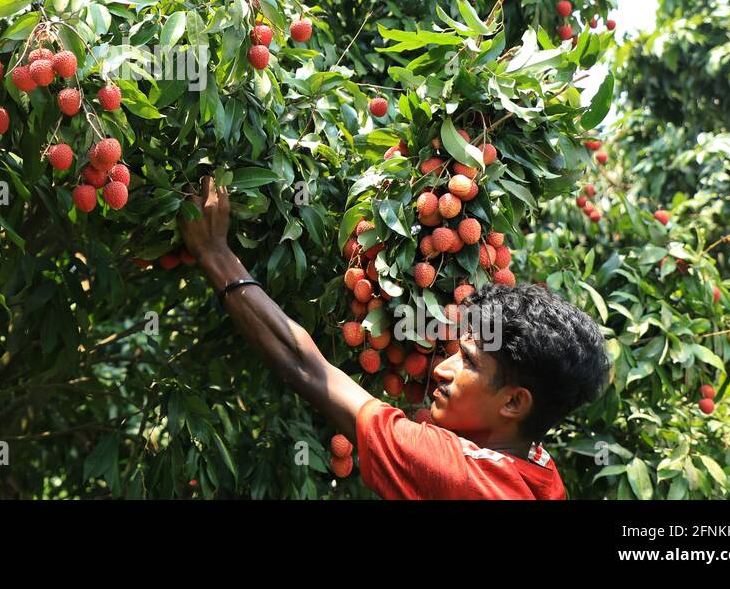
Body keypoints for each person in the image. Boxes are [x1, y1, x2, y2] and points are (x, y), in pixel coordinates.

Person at [178, 176, 612, 499]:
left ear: (515, 402)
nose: (442, 367)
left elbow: (305, 367)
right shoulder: (541, 473)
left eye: (469, 361)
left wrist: (214, 252)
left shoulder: (448, 470)